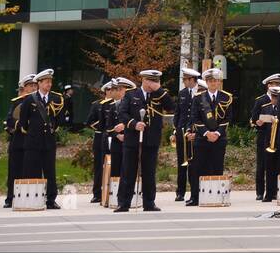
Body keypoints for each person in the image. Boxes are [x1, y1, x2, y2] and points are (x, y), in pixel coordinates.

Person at [115, 70, 177, 212]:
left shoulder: (160, 94)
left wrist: (159, 90)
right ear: (144, 80)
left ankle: (149, 203)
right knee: (128, 171)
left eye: (156, 81)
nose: (154, 84)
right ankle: (124, 203)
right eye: (151, 80)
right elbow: (122, 113)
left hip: (151, 140)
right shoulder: (131, 94)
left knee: (149, 172)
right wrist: (134, 124)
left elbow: (171, 107)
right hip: (132, 139)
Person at [19, 69, 68, 208]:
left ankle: (51, 200)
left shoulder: (56, 99)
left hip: (48, 141)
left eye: (50, 82)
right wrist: (33, 131)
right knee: (32, 169)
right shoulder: (29, 99)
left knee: (49, 171)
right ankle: (33, 198)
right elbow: (23, 121)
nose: (49, 84)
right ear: (39, 83)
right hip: (33, 140)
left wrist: (53, 128)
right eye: (46, 82)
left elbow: (60, 119)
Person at [187, 68, 232, 206]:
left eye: (216, 80)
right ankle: (196, 197)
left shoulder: (227, 97)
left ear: (219, 82)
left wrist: (217, 133)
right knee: (198, 168)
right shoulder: (198, 98)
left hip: (219, 139)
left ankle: (216, 197)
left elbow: (228, 118)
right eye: (211, 81)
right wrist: (207, 133)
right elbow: (195, 118)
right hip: (202, 139)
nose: (213, 83)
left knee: (217, 167)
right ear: (206, 82)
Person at [251, 73, 280, 202]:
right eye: (274, 84)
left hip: (277, 137)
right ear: (268, 85)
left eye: (278, 85)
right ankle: (260, 191)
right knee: (262, 166)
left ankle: (274, 191)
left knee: (276, 166)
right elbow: (254, 118)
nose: (276, 87)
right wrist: (258, 122)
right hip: (264, 136)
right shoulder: (261, 100)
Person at [4, 74, 35, 208]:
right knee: (14, 171)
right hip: (18, 141)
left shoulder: (40, 102)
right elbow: (9, 120)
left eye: (35, 85)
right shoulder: (17, 102)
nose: (33, 88)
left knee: (31, 171)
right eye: (30, 86)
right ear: (24, 87)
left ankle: (31, 197)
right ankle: (10, 198)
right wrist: (21, 125)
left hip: (33, 142)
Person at [86, 77, 118, 204]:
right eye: (109, 90)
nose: (111, 92)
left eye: (113, 89)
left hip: (112, 136)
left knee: (113, 164)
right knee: (99, 166)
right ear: (105, 91)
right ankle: (97, 193)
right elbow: (89, 122)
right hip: (101, 136)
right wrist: (101, 125)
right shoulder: (97, 105)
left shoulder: (117, 104)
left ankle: (111, 191)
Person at [173, 67, 200, 202]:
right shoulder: (182, 93)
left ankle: (194, 192)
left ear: (192, 80)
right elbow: (178, 113)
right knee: (181, 163)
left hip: (195, 132)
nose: (184, 82)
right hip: (182, 132)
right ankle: (180, 192)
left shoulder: (201, 92)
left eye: (185, 79)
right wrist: (176, 129)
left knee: (193, 163)